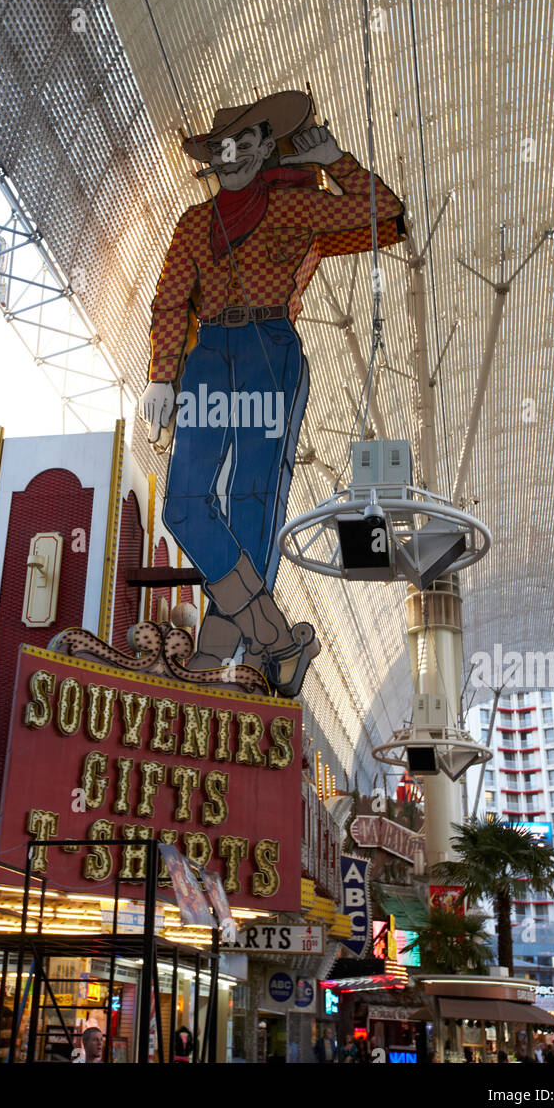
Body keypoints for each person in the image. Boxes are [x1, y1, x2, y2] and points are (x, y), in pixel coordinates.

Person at [139, 90, 405, 695]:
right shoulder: (192, 224)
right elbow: (170, 299)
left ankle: (216, 649)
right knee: (183, 501)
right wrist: (161, 373)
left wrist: (338, 162)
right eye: (220, 147)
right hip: (208, 356)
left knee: (253, 502)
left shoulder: (295, 209)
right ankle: (279, 641)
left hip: (269, 348)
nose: (230, 156)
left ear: (263, 148)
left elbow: (386, 219)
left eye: (243, 143)